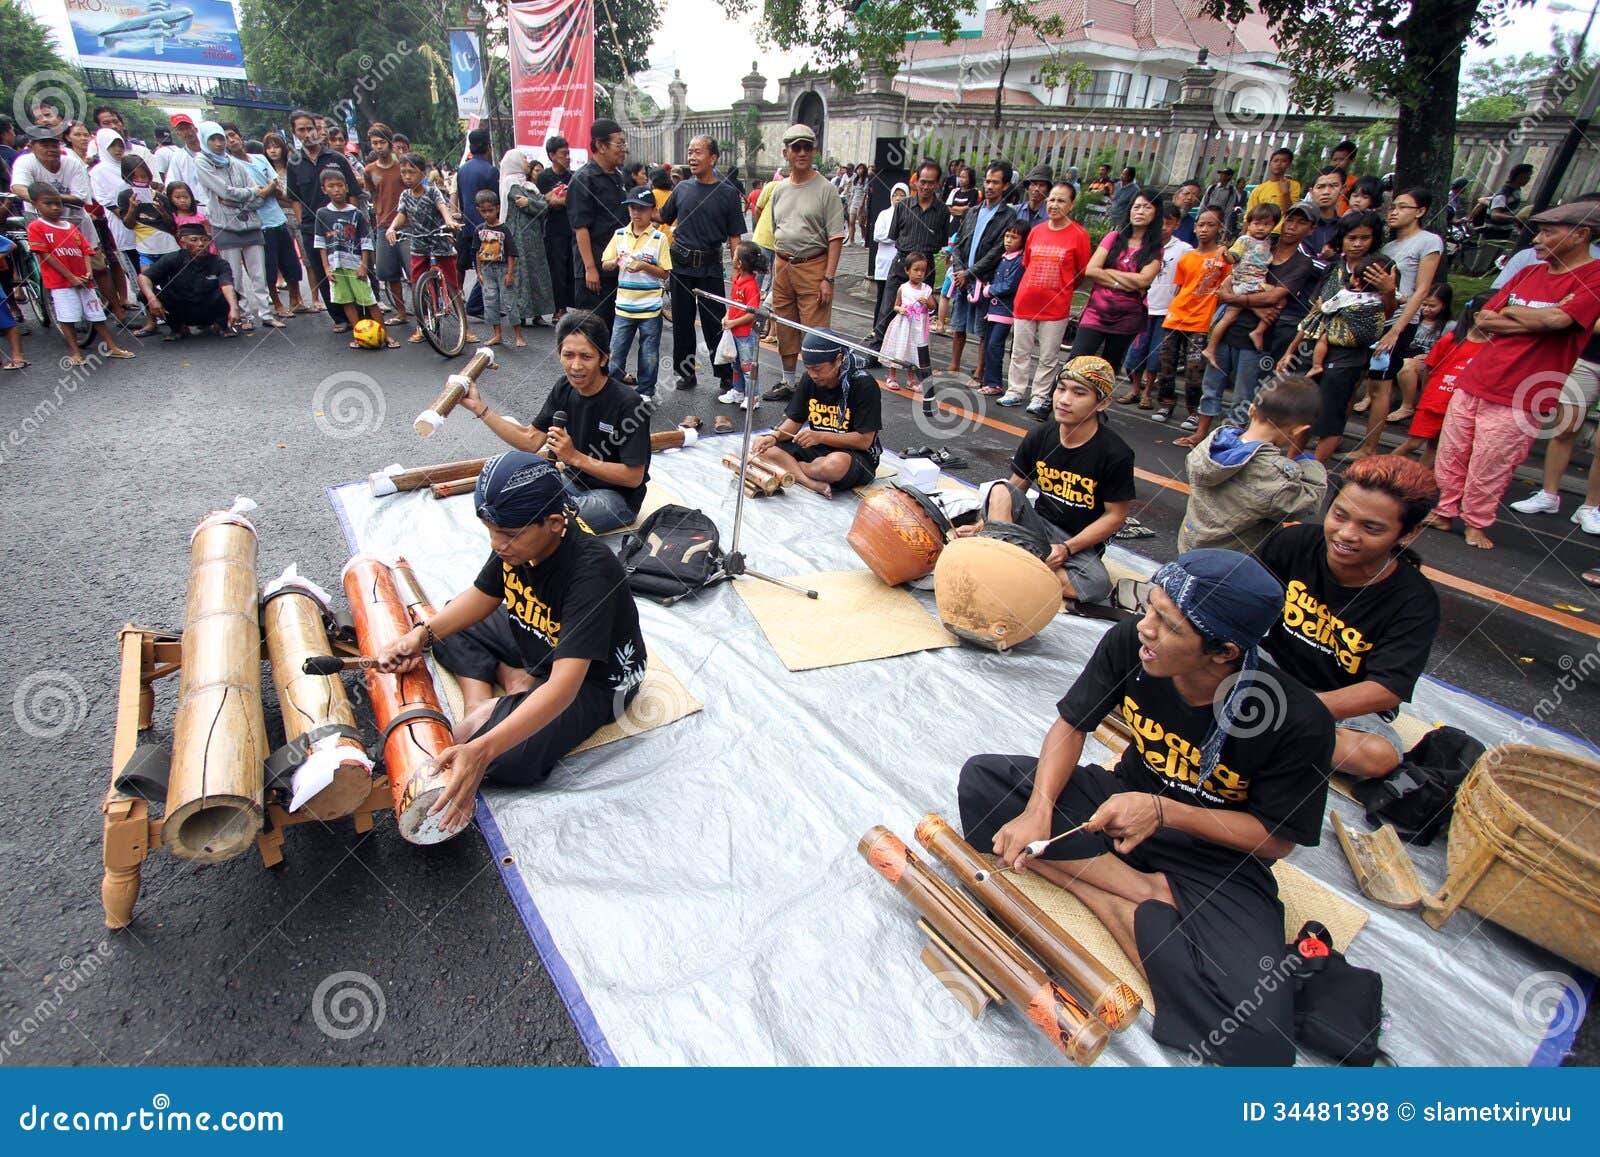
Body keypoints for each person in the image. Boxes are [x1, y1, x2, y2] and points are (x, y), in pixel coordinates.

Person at [958, 547, 1334, 1066]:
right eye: (1150, 608)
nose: (1145, 629)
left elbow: (1276, 839)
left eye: (1167, 624)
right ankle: (1127, 897)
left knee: (1260, 1039)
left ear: (1224, 651)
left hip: (1213, 857)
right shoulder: (1129, 644)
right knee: (983, 781)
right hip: (1115, 810)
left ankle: (1106, 887)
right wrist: (1040, 809)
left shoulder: (1297, 720)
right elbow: (1072, 725)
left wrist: (1163, 811)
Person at [375, 454, 647, 833]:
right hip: (541, 639)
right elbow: (483, 597)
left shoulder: (591, 569)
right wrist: (418, 636)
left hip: (596, 681)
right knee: (448, 624)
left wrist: (483, 748)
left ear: (554, 524)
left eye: (505, 535)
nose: (496, 543)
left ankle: (505, 706)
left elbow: (564, 687)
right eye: (490, 531)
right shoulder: (518, 537)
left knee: (510, 759)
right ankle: (486, 703)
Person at [1427, 199, 1600, 548]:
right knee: (1453, 450)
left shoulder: (1593, 277)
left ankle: (1476, 521)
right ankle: (1444, 511)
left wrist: (1524, 315)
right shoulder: (1528, 272)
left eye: (1549, 232)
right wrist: (1544, 318)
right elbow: (1485, 317)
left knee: (1494, 458)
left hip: (1524, 391)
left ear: (1580, 235)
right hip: (1478, 376)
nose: (1537, 239)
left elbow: (1560, 321)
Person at [1257, 456, 1441, 778]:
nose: (1346, 534)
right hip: (1269, 670)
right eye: (1340, 515)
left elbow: (1386, 688)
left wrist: (1300, 710)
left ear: (1408, 534)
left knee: (1377, 757)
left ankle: (1254, 730)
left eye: (1370, 528)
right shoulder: (1294, 542)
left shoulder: (1415, 601)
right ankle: (1271, 735)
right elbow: (1242, 602)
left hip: (1339, 708)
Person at [462, 311, 652, 532]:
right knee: (509, 496)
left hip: (616, 499)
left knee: (545, 518)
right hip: (568, 482)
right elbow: (530, 439)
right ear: (559, 354)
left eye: (586, 356)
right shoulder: (564, 388)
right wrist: (479, 408)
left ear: (604, 358)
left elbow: (633, 477)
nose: (576, 366)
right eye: (568, 355)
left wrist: (575, 457)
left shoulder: (629, 403)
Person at [966, 356, 1132, 607]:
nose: (1064, 400)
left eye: (1079, 393)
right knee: (1001, 491)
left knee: (1096, 585)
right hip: (1037, 525)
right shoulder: (1041, 435)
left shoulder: (1115, 453)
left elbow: (1115, 516)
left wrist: (1067, 548)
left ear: (1103, 403)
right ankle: (1012, 564)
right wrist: (981, 524)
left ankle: (1006, 565)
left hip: (1077, 541)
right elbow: (1016, 487)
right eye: (1062, 389)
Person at [1198, 202, 1320, 425]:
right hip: (1230, 325)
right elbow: (1224, 288)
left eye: (1302, 222)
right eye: (1290, 219)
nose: (1293, 226)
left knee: (1243, 395)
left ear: (1311, 229)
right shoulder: (1260, 243)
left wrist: (1239, 298)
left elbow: (1274, 298)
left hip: (1258, 336)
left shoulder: (1302, 263)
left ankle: (1231, 441)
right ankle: (1200, 433)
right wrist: (1253, 305)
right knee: (1211, 383)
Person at [1345, 188, 1444, 457]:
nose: (1394, 212)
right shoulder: (1388, 246)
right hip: (1376, 318)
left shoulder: (1428, 241)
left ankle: (1369, 448)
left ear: (1420, 211)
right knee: (1356, 378)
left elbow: (1421, 290)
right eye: (1393, 207)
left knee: (1380, 385)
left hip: (1398, 324)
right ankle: (1344, 437)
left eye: (1403, 207)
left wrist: (1397, 331)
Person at [1178, 376, 1328, 553]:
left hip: (1189, 548)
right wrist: (1309, 463)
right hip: (1230, 562)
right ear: (1299, 430)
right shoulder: (1272, 474)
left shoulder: (1211, 444)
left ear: (1251, 410)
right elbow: (1304, 504)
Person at [1292, 211, 1397, 461]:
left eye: (1364, 238)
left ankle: (1316, 469)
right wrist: (1292, 349)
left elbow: (1385, 312)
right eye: (1352, 237)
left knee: (1331, 414)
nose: (1357, 243)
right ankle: (1290, 460)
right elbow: (1317, 309)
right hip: (1319, 342)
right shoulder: (1333, 270)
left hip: (1350, 351)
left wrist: (1389, 291)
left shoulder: (1381, 269)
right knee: (1305, 408)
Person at [762, 124, 846, 401]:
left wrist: (828, 278)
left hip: (814, 267)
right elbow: (777, 228)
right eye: (795, 147)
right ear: (785, 152)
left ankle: (820, 390)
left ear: (814, 151)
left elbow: (835, 237)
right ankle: (789, 383)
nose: (801, 152)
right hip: (783, 264)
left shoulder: (826, 189)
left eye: (807, 147)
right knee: (784, 325)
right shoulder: (780, 189)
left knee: (815, 332)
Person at [658, 135, 746, 392]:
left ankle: (725, 373)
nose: (692, 158)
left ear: (713, 158)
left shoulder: (728, 194)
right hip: (681, 267)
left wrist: (740, 274)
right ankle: (685, 374)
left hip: (710, 269)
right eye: (690, 152)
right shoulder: (682, 188)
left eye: (698, 152)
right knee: (682, 324)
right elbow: (662, 217)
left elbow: (734, 238)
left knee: (715, 322)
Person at [752, 328, 882, 498]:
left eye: (818, 369)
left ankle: (794, 469)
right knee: (763, 447)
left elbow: (865, 441)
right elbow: (794, 421)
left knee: (832, 466)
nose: (813, 374)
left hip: (853, 454)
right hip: (816, 448)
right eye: (808, 368)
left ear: (838, 360)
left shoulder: (863, 384)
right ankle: (810, 482)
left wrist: (820, 436)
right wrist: (774, 437)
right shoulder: (809, 379)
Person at [999, 182, 1092, 416]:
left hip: (1056, 306)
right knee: (1020, 350)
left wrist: (1063, 289)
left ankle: (1040, 396)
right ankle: (1015, 390)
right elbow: (1027, 263)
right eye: (1051, 199)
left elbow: (1081, 272)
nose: (1054, 205)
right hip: (1026, 300)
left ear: (1071, 205)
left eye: (1061, 200)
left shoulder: (1079, 235)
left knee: (1048, 355)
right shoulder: (1037, 231)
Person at [27, 186, 134, 364]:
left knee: (97, 315)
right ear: (35, 204)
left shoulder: (70, 226)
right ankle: (76, 352)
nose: (55, 208)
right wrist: (70, 277)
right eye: (48, 204)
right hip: (61, 283)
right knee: (67, 318)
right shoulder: (36, 227)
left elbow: (85, 250)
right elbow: (46, 255)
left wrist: (88, 273)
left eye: (58, 203)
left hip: (85, 280)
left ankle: (112, 346)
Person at [1069, 190, 1163, 387]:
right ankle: (1051, 403)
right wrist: (1127, 282)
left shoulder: (1155, 248)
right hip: (1096, 312)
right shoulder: (1113, 237)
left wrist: (1109, 275)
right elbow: (1092, 270)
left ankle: (1097, 410)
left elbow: (1144, 280)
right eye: (1136, 207)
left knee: (1108, 367)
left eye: (1147, 207)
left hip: (1126, 318)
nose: (1140, 211)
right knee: (1076, 360)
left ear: (1156, 213)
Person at [192, 120, 278, 332]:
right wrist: (250, 193)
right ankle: (244, 314)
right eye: (213, 139)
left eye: (221, 138)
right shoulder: (202, 163)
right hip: (225, 226)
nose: (219, 143)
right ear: (204, 140)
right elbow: (225, 192)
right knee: (234, 276)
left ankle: (266, 314)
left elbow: (259, 198)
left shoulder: (235, 163)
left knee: (259, 274)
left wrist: (242, 197)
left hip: (251, 225)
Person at [1159, 207, 1231, 447]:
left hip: (1202, 321)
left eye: (1210, 225)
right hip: (1177, 316)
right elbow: (1180, 288)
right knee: (1166, 364)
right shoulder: (1187, 257)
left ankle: (1192, 410)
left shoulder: (1224, 259)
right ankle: (1166, 403)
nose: (1203, 229)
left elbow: (1227, 290)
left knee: (1194, 371)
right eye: (1200, 225)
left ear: (1219, 228)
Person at [388, 152, 475, 344]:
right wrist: (392, 228)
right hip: (419, 244)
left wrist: (449, 221)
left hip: (439, 242)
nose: (407, 176)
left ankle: (465, 329)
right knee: (418, 287)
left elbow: (443, 208)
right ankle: (422, 327)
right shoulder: (405, 195)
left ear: (422, 173)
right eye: (404, 172)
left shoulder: (432, 191)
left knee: (453, 286)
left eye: (412, 172)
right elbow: (401, 215)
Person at [286, 109, 361, 329]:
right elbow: (294, 197)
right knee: (324, 272)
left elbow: (354, 192)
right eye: (302, 130)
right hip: (312, 227)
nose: (307, 133)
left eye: (310, 128)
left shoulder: (336, 158)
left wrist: (353, 220)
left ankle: (362, 313)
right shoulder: (294, 162)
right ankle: (339, 318)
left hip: (344, 226)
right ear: (295, 133)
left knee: (353, 268)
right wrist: (302, 222)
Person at [1396, 293, 1488, 467]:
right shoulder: (1451, 340)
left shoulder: (1490, 346)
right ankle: (1376, 471)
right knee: (1413, 443)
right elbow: (1430, 369)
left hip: (1457, 406)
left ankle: (1416, 485)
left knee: (1435, 447)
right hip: (1436, 401)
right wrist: (1426, 396)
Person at [948, 161, 1016, 381]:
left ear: (1005, 185)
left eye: (995, 182)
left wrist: (970, 274)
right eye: (987, 181)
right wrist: (960, 272)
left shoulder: (1008, 216)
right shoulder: (972, 212)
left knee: (982, 329)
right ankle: (953, 366)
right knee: (958, 325)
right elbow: (958, 242)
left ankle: (979, 371)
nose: (990, 186)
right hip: (962, 278)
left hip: (984, 281)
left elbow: (997, 251)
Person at [1119, 200, 1190, 408]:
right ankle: (1134, 389)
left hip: (1166, 311)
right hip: (1142, 306)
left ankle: (1147, 393)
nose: (1163, 227)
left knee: (1155, 357)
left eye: (1169, 223)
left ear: (1176, 225)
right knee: (1135, 354)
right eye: (1161, 222)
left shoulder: (1183, 249)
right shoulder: (1145, 245)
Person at [871, 159, 949, 350]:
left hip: (926, 267)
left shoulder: (942, 211)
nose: (926, 186)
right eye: (923, 181)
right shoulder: (903, 206)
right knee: (888, 309)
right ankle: (875, 352)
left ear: (937, 184)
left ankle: (916, 358)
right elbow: (893, 234)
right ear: (916, 182)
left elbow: (941, 241)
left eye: (931, 182)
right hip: (901, 263)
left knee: (919, 315)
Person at [602, 185, 672, 397]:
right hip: (623, 306)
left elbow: (665, 273)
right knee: (616, 353)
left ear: (652, 210)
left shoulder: (660, 239)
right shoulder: (619, 235)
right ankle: (611, 393)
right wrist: (615, 261)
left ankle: (645, 392)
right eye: (632, 207)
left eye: (641, 208)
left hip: (650, 308)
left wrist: (644, 266)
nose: (635, 212)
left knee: (649, 354)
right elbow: (605, 263)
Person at [315, 170, 393, 348]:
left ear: (347, 187)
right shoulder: (322, 214)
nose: (336, 190)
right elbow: (320, 243)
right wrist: (326, 268)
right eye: (331, 186)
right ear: (324, 189)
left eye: (340, 185)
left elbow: (365, 241)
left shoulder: (356, 213)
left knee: (369, 301)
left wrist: (364, 265)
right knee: (347, 301)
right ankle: (359, 336)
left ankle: (385, 335)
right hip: (336, 265)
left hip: (355, 263)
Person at [567, 119, 630, 330]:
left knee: (613, 332)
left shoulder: (617, 178)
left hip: (616, 267)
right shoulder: (583, 179)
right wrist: (590, 268)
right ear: (601, 146)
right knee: (592, 333)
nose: (624, 149)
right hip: (594, 272)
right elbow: (580, 228)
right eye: (619, 144)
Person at [1201, 203, 1278, 364]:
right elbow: (1233, 258)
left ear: (1273, 225)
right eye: (1257, 224)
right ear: (1249, 224)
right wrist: (1225, 253)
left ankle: (1256, 332)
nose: (1261, 228)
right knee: (1229, 317)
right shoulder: (1245, 240)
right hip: (1246, 282)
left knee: (1278, 299)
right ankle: (1211, 347)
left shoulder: (1268, 243)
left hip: (1257, 282)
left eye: (1266, 224)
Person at [139, 222, 240, 340]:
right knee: (144, 293)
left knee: (231, 294)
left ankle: (221, 325)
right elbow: (144, 277)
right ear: (182, 243)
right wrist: (152, 299)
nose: (201, 244)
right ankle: (178, 328)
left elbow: (227, 285)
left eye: (205, 240)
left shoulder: (219, 262)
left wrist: (234, 308)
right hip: (181, 308)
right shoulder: (172, 258)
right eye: (194, 240)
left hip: (208, 309)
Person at [500, 148, 555, 329]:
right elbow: (540, 207)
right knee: (521, 276)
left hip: (533, 238)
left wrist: (532, 203)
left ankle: (537, 313)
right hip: (519, 239)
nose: (526, 162)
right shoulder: (512, 185)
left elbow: (542, 206)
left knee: (537, 275)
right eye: (523, 158)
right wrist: (535, 204)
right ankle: (522, 314)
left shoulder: (527, 185)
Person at [1384, 282, 1453, 425]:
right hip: (1408, 357)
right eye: (1424, 304)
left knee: (1407, 366)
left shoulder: (1449, 326)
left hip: (1430, 364)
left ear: (1444, 306)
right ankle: (1376, 398)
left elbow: (1450, 351)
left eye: (1432, 306)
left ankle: (1407, 407)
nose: (1426, 309)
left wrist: (1430, 356)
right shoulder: (1414, 320)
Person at [362, 124, 409, 326]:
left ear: (390, 144)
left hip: (407, 225)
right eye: (375, 143)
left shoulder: (403, 167)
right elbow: (372, 194)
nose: (379, 147)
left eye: (382, 142)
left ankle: (425, 312)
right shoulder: (369, 170)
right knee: (389, 273)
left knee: (414, 271)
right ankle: (401, 312)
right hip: (382, 225)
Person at [260, 131, 307, 314]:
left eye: (276, 146)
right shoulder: (264, 169)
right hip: (270, 221)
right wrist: (282, 196)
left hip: (293, 215)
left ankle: (298, 301)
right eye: (269, 147)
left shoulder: (293, 167)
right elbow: (271, 194)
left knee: (293, 262)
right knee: (271, 264)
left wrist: (284, 197)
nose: (273, 150)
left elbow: (295, 197)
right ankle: (278, 304)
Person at [979, 221, 1028, 397]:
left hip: (1006, 310)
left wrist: (989, 290)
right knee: (988, 344)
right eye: (1007, 236)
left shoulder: (1020, 261)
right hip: (993, 308)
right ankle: (988, 379)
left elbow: (1010, 285)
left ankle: (994, 383)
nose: (1008, 240)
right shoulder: (1003, 257)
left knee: (995, 345)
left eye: (1014, 237)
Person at [455, 129, 500, 320]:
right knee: (487, 267)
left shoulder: (462, 169)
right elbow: (496, 201)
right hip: (485, 227)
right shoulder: (490, 170)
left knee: (463, 266)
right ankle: (475, 304)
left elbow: (462, 201)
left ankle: (458, 299)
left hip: (466, 225)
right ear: (488, 146)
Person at [720, 241, 767, 408]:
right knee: (736, 364)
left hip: (746, 334)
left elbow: (752, 313)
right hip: (735, 331)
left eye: (734, 256)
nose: (732, 258)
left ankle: (753, 396)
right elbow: (732, 303)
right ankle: (739, 392)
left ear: (739, 263)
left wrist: (732, 322)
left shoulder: (751, 286)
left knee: (747, 367)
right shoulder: (737, 279)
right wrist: (727, 317)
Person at [473, 189, 521, 348]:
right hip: (487, 269)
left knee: (509, 301)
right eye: (483, 211)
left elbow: (511, 253)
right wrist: (478, 272)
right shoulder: (479, 230)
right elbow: (477, 251)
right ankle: (497, 334)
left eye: (490, 210)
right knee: (490, 302)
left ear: (498, 208)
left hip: (502, 268)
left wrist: (510, 273)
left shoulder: (504, 229)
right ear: (479, 210)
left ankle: (518, 335)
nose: (487, 214)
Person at [882, 251, 934, 393]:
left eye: (923, 270)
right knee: (899, 349)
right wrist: (900, 310)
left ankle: (911, 380)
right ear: (907, 270)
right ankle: (892, 376)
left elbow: (933, 306)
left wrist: (927, 302)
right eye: (916, 270)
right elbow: (896, 305)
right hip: (903, 324)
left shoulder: (926, 289)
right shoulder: (903, 288)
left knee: (913, 352)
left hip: (917, 326)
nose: (919, 274)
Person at [537, 135, 575, 321]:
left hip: (573, 229)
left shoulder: (573, 176)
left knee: (572, 269)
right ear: (552, 155)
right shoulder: (544, 177)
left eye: (568, 153)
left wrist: (560, 200)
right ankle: (559, 308)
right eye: (563, 154)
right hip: (553, 230)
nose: (567, 157)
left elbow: (573, 200)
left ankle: (571, 305)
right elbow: (549, 202)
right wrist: (563, 200)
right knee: (557, 270)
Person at [870, 182, 907, 321]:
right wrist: (895, 237)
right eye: (896, 195)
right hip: (884, 262)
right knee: (882, 297)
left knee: (897, 299)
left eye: (902, 195)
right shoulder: (884, 214)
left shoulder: (908, 215)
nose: (898, 198)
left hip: (900, 263)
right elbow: (877, 235)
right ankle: (876, 328)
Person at [1303, 170, 1346, 260]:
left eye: (1333, 186)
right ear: (1311, 191)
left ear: (1342, 189)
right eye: (1320, 187)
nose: (1326, 192)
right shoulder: (1301, 223)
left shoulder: (1346, 227)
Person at [1245, 148, 1300, 219]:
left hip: (1282, 230)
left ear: (1289, 165)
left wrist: (1285, 193)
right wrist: (1244, 230)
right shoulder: (1258, 189)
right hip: (1263, 229)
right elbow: (1249, 215)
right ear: (1270, 164)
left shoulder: (1294, 185)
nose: (1278, 164)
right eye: (1275, 161)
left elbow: (1292, 213)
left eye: (1284, 161)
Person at [1483, 163, 1533, 236]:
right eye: (1527, 176)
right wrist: (1516, 219)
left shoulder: (1516, 191)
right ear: (1520, 176)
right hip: (1493, 233)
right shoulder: (1504, 194)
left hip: (1504, 231)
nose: (1529, 179)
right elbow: (1495, 214)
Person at [1015, 163, 1052, 230]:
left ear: (1047, 190)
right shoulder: (1015, 211)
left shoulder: (1050, 217)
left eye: (1042, 185)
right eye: (1033, 184)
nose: (1037, 189)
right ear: (1028, 188)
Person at [1170, 179, 1202, 245]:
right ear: (1175, 196)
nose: (1190, 198)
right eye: (1186, 193)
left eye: (1194, 196)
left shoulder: (1194, 226)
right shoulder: (1158, 216)